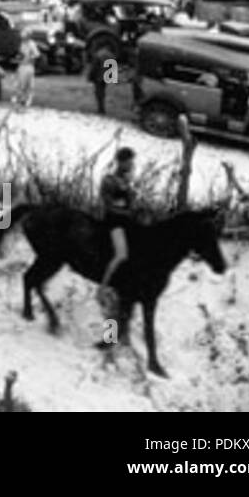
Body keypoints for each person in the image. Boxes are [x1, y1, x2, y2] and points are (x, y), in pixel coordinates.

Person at [97, 147, 137, 308]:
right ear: (120, 162)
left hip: (127, 220)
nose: (131, 164)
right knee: (121, 254)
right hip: (114, 221)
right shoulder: (109, 180)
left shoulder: (128, 180)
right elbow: (108, 204)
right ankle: (103, 287)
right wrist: (125, 209)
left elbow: (131, 202)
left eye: (131, 161)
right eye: (127, 161)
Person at [13, 36, 41, 108]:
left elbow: (37, 54)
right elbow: (21, 53)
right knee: (19, 82)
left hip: (28, 65)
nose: (22, 38)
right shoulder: (22, 43)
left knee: (28, 83)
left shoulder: (31, 44)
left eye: (24, 37)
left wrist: (30, 57)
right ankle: (21, 98)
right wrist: (18, 57)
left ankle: (28, 99)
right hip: (21, 64)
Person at [88, 47, 115, 115]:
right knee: (102, 92)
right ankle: (101, 108)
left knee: (99, 93)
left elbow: (94, 67)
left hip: (98, 76)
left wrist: (90, 77)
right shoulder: (110, 55)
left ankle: (101, 109)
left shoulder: (98, 55)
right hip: (106, 77)